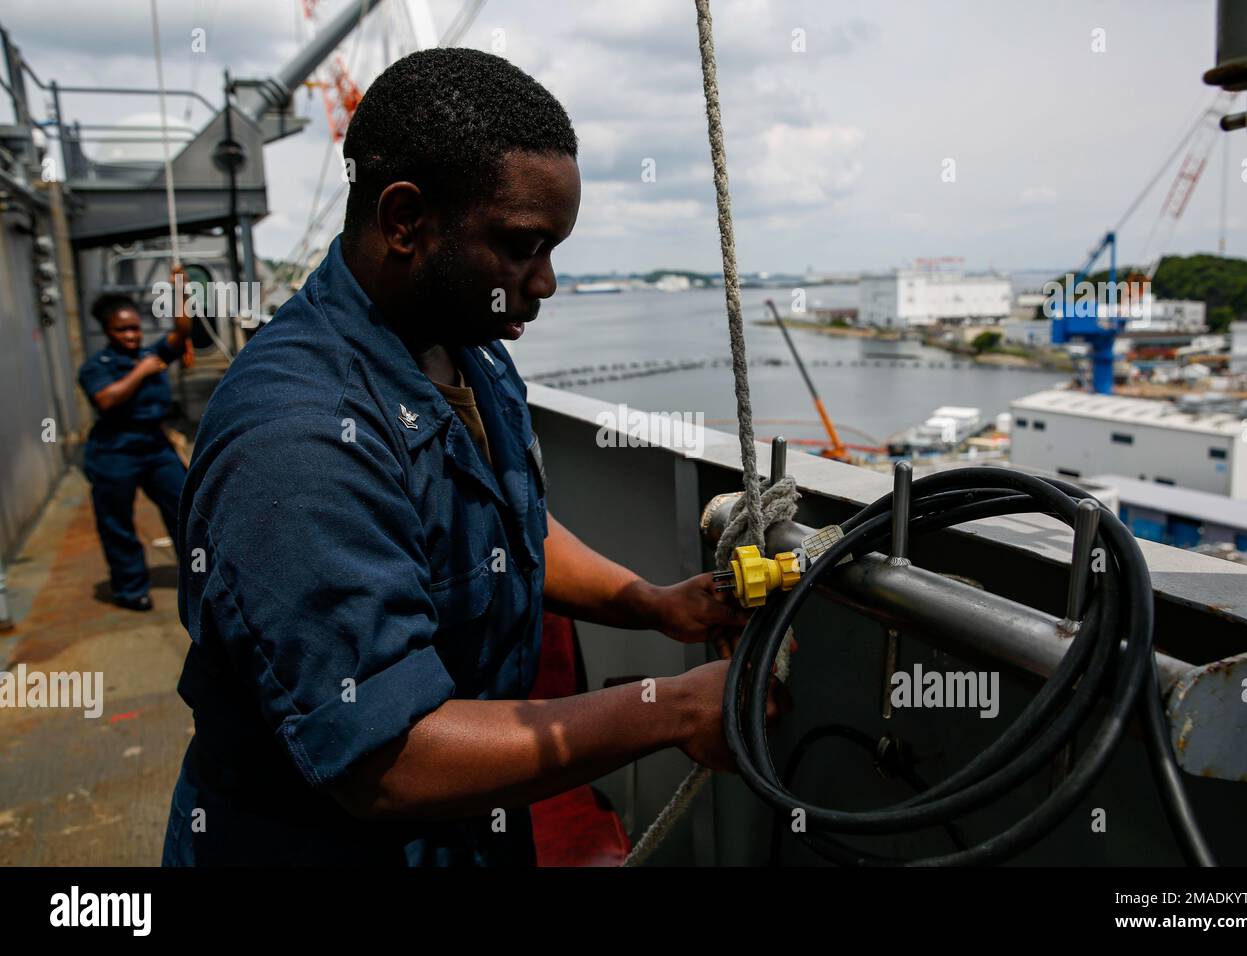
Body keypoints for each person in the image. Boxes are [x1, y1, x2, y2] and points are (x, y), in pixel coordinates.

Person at [161, 47, 788, 867]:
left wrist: (656, 605)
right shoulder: (296, 440)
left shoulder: (466, 343)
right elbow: (389, 757)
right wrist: (670, 709)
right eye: (524, 245)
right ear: (404, 220)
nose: (547, 282)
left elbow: (510, 527)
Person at [77, 292, 190, 611]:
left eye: (135, 329)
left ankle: (198, 575)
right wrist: (141, 372)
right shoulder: (96, 367)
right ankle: (131, 589)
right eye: (122, 330)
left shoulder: (154, 353)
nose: (131, 336)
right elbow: (106, 400)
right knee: (117, 523)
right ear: (108, 332)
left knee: (185, 505)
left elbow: (182, 332)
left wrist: (179, 290)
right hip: (115, 450)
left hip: (155, 445)